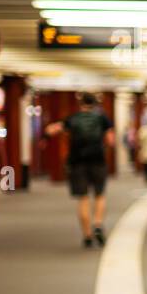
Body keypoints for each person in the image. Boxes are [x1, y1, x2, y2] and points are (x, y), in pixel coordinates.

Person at [45, 93, 115, 248]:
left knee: (83, 198)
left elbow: (51, 130)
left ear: (80, 103)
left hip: (77, 162)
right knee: (99, 194)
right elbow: (111, 140)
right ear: (95, 104)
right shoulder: (102, 118)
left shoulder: (72, 118)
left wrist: (54, 131)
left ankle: (87, 235)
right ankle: (97, 224)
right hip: (98, 160)